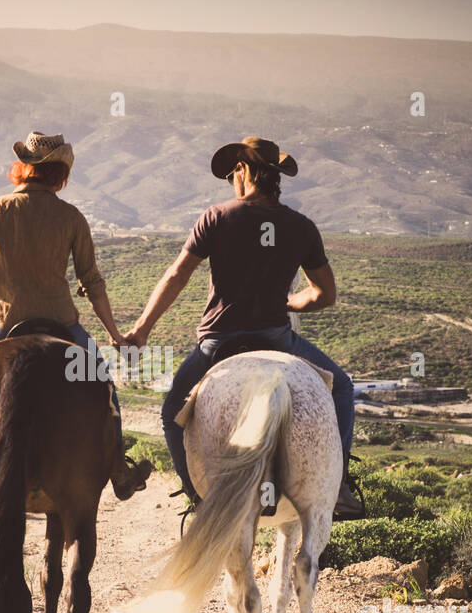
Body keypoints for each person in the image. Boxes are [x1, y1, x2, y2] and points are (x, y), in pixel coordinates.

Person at [124, 136, 364, 519]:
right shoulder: (300, 226)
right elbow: (325, 295)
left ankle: (196, 498)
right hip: (276, 339)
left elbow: (176, 276)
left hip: (217, 344)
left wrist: (141, 329)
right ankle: (338, 488)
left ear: (243, 172)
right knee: (343, 388)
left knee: (171, 412)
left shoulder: (216, 217)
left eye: (234, 170)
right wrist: (289, 302)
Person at [0, 132, 152, 502]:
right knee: (104, 386)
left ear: (22, 169)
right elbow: (93, 281)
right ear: (59, 174)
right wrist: (114, 333)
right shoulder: (72, 217)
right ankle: (119, 470)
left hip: (5, 323)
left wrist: (3, 279)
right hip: (62, 323)